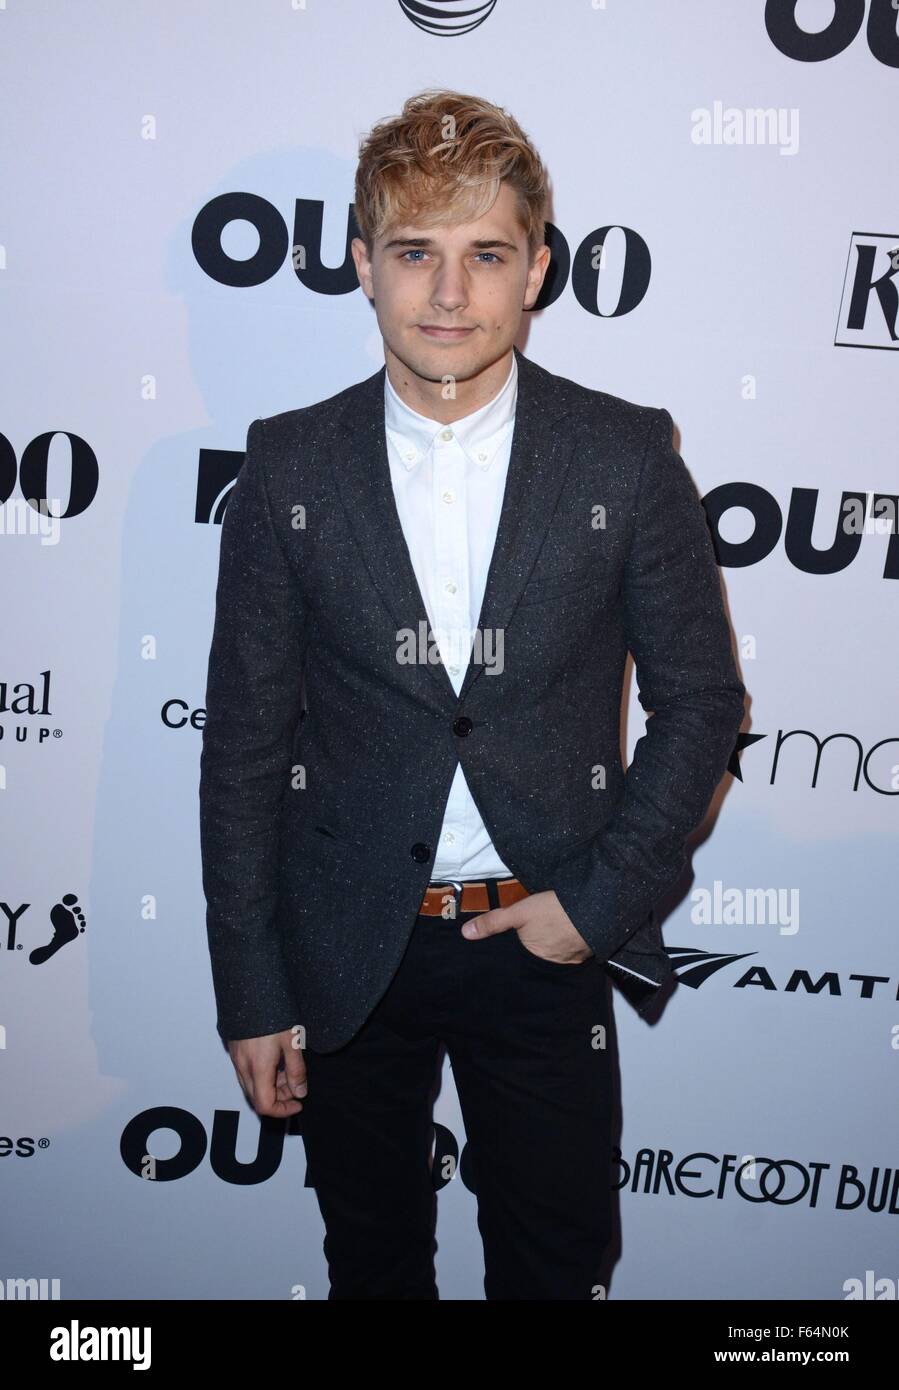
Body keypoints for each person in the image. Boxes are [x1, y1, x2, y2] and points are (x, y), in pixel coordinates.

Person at [199, 88, 746, 1300]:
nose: (448, 295)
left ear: (536, 269)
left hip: (542, 942)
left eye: (484, 254)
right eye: (415, 254)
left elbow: (702, 704)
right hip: (348, 948)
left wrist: (593, 905)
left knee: (553, 1268)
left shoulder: (622, 456)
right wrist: (251, 986)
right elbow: (243, 743)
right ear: (361, 266)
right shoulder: (288, 462)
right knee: (374, 1266)